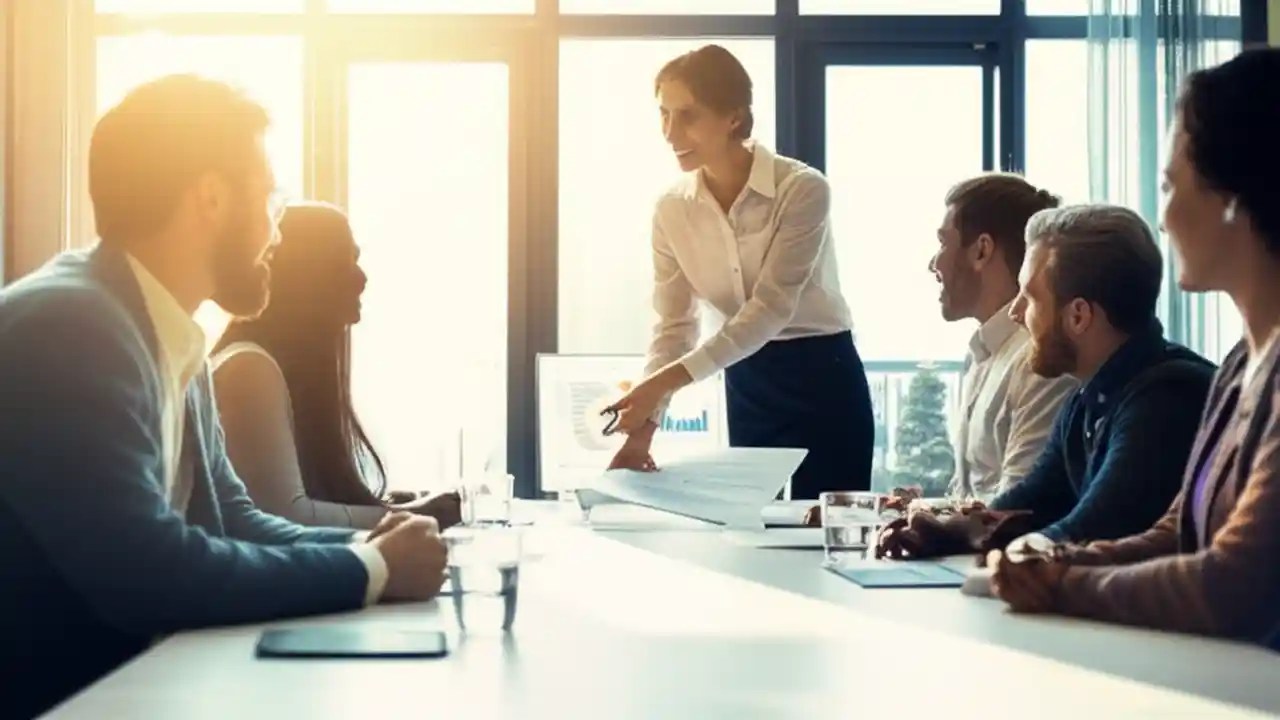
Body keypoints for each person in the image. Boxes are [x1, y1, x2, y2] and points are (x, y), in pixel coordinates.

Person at [0, 75, 446, 718]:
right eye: (270, 199)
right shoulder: (70, 326)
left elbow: (232, 521)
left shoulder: (164, 330)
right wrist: (373, 570)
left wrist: (376, 548)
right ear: (210, 197)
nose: (276, 233)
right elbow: (148, 572)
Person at [988, 48, 1280, 650]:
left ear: (1233, 195)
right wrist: (1053, 561)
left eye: (1170, 185)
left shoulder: (1184, 387)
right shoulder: (1240, 365)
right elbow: (1177, 531)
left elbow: (1233, 584)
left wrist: (1063, 584)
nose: (1164, 218)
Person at [604, 44, 874, 499]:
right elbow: (674, 328)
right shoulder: (671, 210)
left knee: (827, 525)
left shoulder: (802, 190)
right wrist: (642, 432)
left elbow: (770, 310)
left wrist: (661, 383)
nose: (670, 133)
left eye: (687, 115)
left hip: (822, 374)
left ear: (734, 117)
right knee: (753, 525)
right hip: (746, 377)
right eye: (664, 114)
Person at [877, 204, 1214, 558]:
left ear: (1078, 316)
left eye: (1030, 297)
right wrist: (943, 531)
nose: (1015, 312)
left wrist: (971, 535)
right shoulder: (1088, 399)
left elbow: (1087, 535)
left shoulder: (1166, 400)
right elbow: (1025, 507)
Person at [211, 203, 459, 531]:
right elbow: (284, 517)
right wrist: (416, 515)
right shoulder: (249, 369)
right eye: (345, 261)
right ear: (306, 276)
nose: (362, 278)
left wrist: (390, 506)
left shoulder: (261, 368)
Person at [930, 174, 1077, 501]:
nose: (933, 263)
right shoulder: (982, 353)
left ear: (981, 250)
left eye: (942, 243)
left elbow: (1017, 512)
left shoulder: (1041, 362)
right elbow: (970, 495)